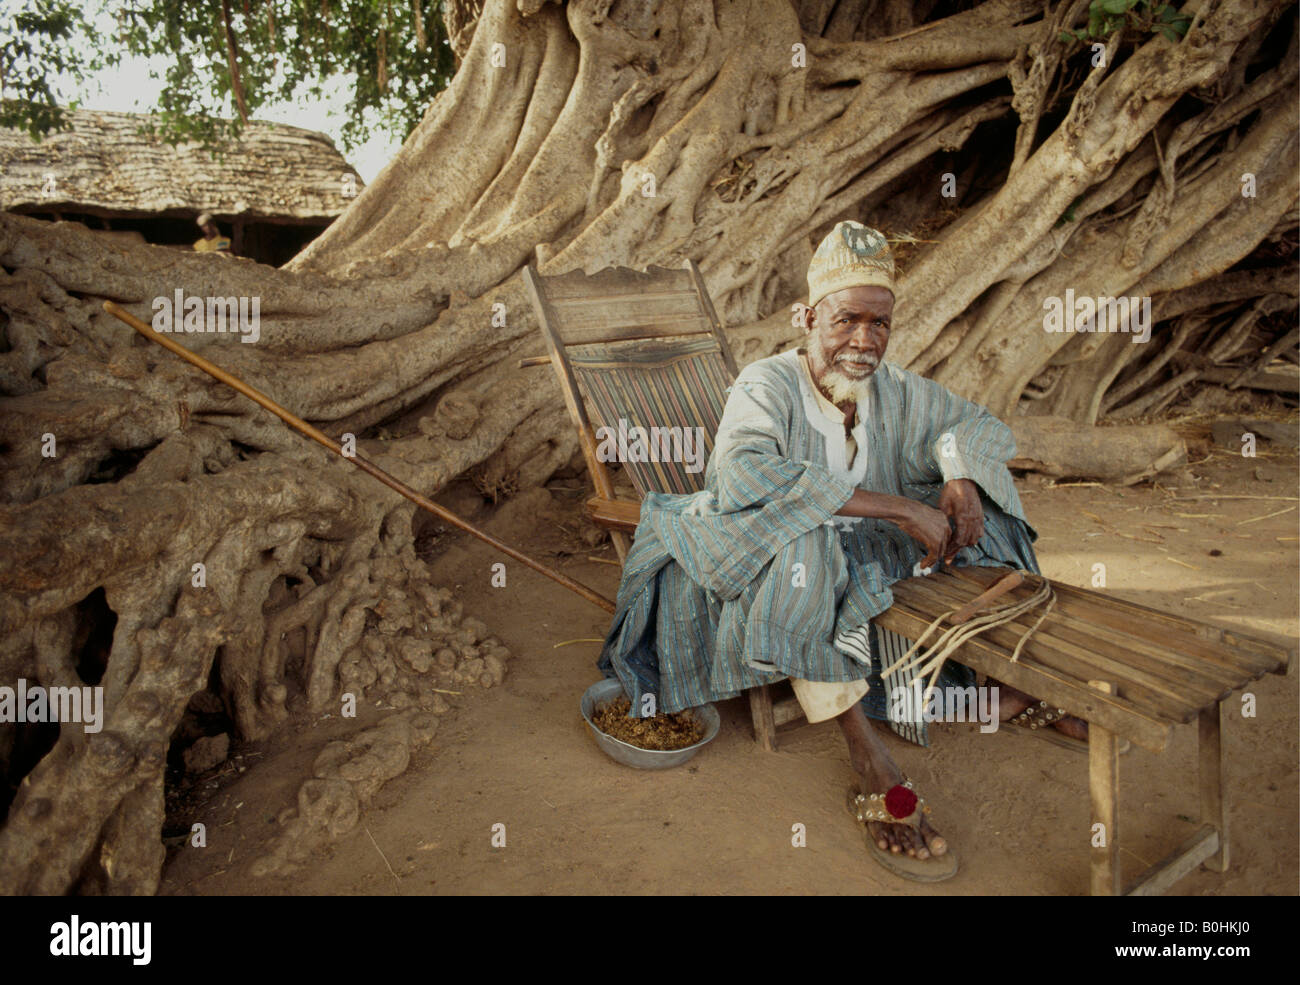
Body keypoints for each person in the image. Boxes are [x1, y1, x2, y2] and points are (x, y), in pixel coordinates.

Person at [597, 220, 1086, 881]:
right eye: (847, 319)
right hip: (742, 556)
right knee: (808, 547)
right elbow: (742, 477)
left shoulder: (896, 388)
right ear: (806, 316)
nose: (864, 340)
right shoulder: (766, 385)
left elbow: (972, 424)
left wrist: (958, 474)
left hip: (851, 552)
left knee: (986, 516)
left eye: (879, 323)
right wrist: (899, 506)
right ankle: (868, 755)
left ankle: (1003, 687)